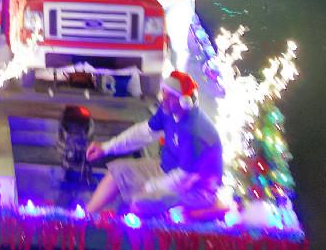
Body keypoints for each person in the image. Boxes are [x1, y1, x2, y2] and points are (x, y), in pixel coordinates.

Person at [83, 70, 224, 217]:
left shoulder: (195, 131)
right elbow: (143, 133)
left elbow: (184, 177)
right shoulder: (167, 111)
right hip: (167, 169)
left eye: (170, 96)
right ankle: (84, 217)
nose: (164, 99)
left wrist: (152, 186)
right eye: (164, 93)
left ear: (185, 101)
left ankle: (124, 233)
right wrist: (105, 148)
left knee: (140, 203)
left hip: (196, 188)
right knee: (117, 172)